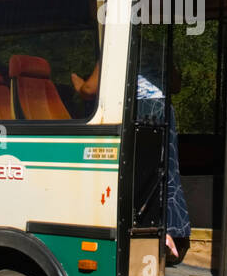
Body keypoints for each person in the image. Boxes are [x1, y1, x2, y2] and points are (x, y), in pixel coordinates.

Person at [71, 62, 190, 262]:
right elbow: (175, 86)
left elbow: (89, 90)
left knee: (139, 173)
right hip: (164, 109)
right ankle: (173, 230)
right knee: (167, 171)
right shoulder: (156, 50)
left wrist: (76, 81)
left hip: (141, 110)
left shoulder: (114, 47)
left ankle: (158, 234)